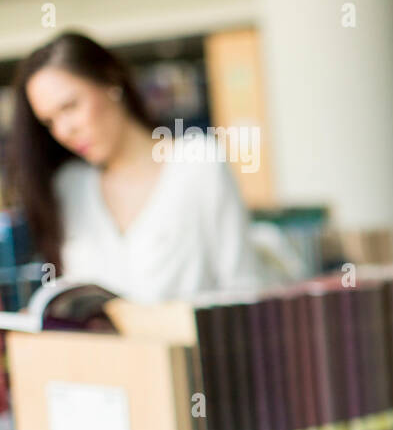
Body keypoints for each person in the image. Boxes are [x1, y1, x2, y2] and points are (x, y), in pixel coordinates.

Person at [7, 30, 264, 303]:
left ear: (110, 80)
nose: (63, 131)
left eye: (70, 106)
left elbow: (243, 289)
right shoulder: (70, 188)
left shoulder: (198, 162)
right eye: (49, 122)